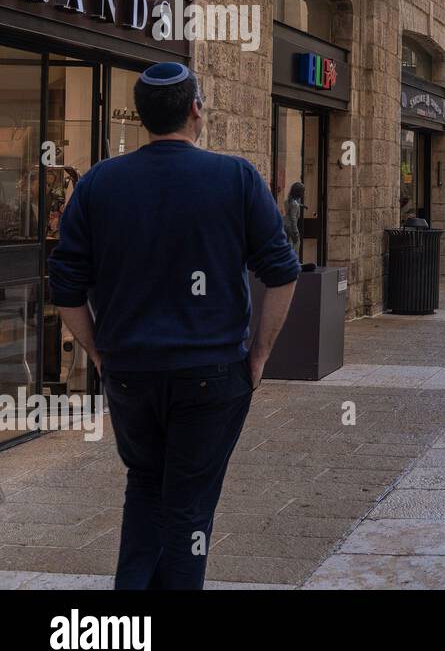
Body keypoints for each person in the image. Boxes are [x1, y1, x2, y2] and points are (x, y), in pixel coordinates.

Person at [46, 62, 300, 590]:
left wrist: (98, 353)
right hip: (211, 371)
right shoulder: (235, 178)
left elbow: (65, 287)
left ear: (142, 118)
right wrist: (258, 357)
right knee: (188, 510)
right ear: (196, 110)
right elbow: (282, 273)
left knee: (144, 489)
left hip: (131, 372)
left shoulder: (99, 183)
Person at [283, 181, 306, 255]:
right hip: (291, 226)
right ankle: (294, 264)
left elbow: (292, 207)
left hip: (285, 224)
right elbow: (293, 218)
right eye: (302, 191)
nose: (303, 193)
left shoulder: (289, 200)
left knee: (288, 244)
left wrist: (301, 205)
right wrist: (296, 232)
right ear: (298, 192)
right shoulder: (294, 204)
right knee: (295, 245)